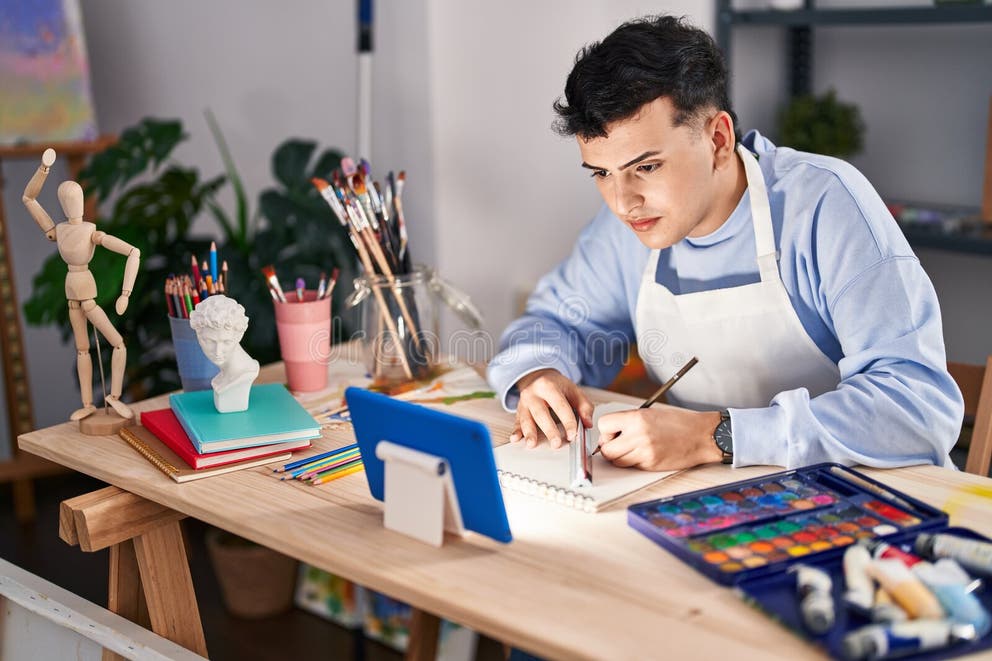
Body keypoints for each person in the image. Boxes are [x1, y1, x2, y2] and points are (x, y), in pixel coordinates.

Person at [487, 15, 963, 472]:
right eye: (602, 175)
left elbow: (916, 407)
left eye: (646, 168)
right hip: (714, 500)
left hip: (870, 502)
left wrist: (713, 436)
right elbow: (553, 322)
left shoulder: (824, 204)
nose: (623, 202)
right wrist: (538, 374)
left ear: (717, 139)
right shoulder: (626, 230)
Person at [22, 148, 140, 422]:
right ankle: (88, 402)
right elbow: (28, 199)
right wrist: (44, 168)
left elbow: (133, 252)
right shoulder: (59, 229)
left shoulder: (89, 231)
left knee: (116, 343)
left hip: (86, 294)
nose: (71, 204)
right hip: (73, 295)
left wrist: (125, 293)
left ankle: (114, 395)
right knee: (83, 348)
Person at [189, 295, 259, 413]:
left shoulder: (245, 373)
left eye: (226, 342)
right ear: (199, 337)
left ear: (239, 336)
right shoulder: (222, 377)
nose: (218, 351)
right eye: (210, 341)